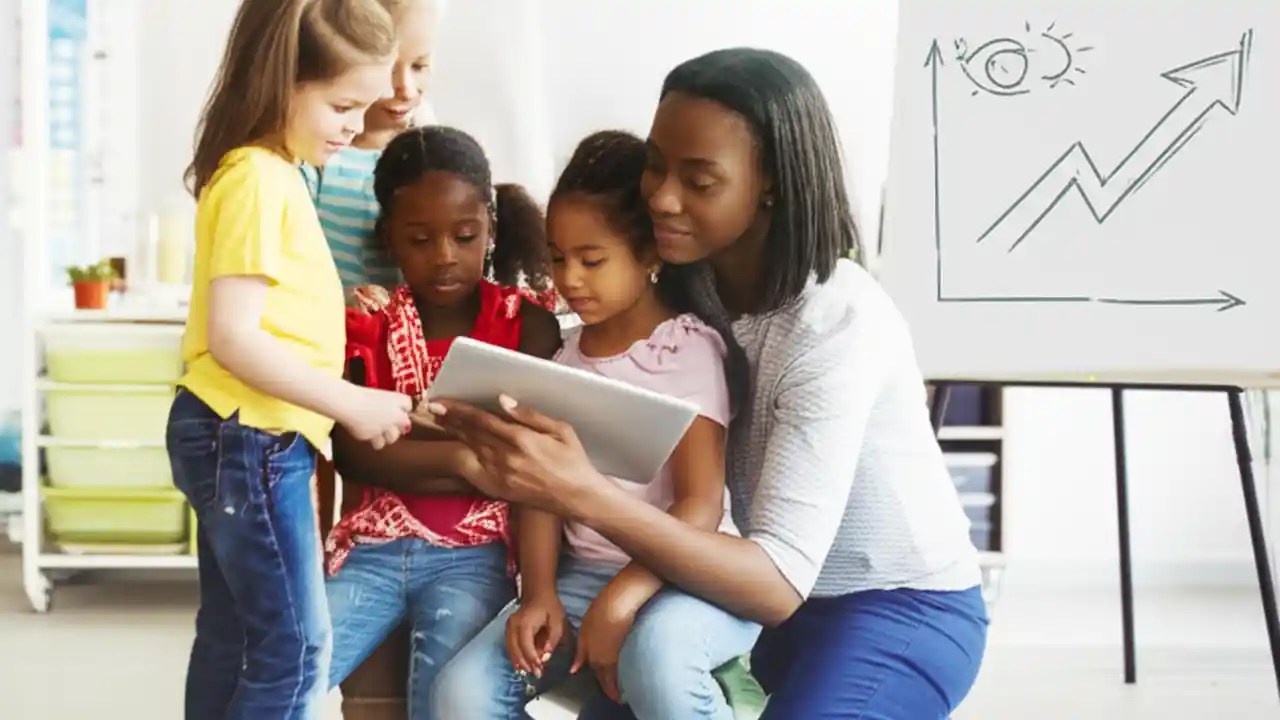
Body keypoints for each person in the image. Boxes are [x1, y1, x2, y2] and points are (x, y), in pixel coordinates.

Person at [427, 48, 989, 719]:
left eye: (700, 180)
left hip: (895, 606)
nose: (661, 196)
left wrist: (579, 493)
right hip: (741, 601)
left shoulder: (836, 324)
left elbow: (778, 581)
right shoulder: (690, 284)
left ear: (771, 185)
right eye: (656, 166)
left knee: (659, 659)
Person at [432, 131, 760, 719]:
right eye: (558, 258)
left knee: (657, 660)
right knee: (461, 695)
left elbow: (702, 504)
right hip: (582, 579)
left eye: (592, 260)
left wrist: (623, 599)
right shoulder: (563, 358)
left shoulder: (686, 350)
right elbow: (539, 492)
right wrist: (538, 594)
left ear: (651, 254)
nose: (570, 279)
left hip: (685, 580)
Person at [166, 1, 409, 718]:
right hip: (250, 434)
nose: (355, 127)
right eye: (341, 105)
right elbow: (236, 338)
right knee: (297, 652)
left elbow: (267, 315)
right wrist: (353, 403)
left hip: (240, 433)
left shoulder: (270, 173)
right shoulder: (258, 178)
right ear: (283, 83)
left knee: (237, 638)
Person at [324, 125, 562, 718]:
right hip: (370, 549)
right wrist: (465, 457)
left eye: (464, 235)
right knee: (285, 669)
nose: (445, 256)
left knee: (446, 702)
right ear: (389, 238)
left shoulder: (527, 327)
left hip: (475, 556)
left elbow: (523, 465)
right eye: (420, 238)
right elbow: (354, 453)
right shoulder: (370, 325)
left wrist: (407, 445)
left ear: (491, 230)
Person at [301, 0, 445, 292]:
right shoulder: (319, 153)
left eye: (419, 65)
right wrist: (346, 299)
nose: (405, 87)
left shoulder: (432, 148)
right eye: (389, 69)